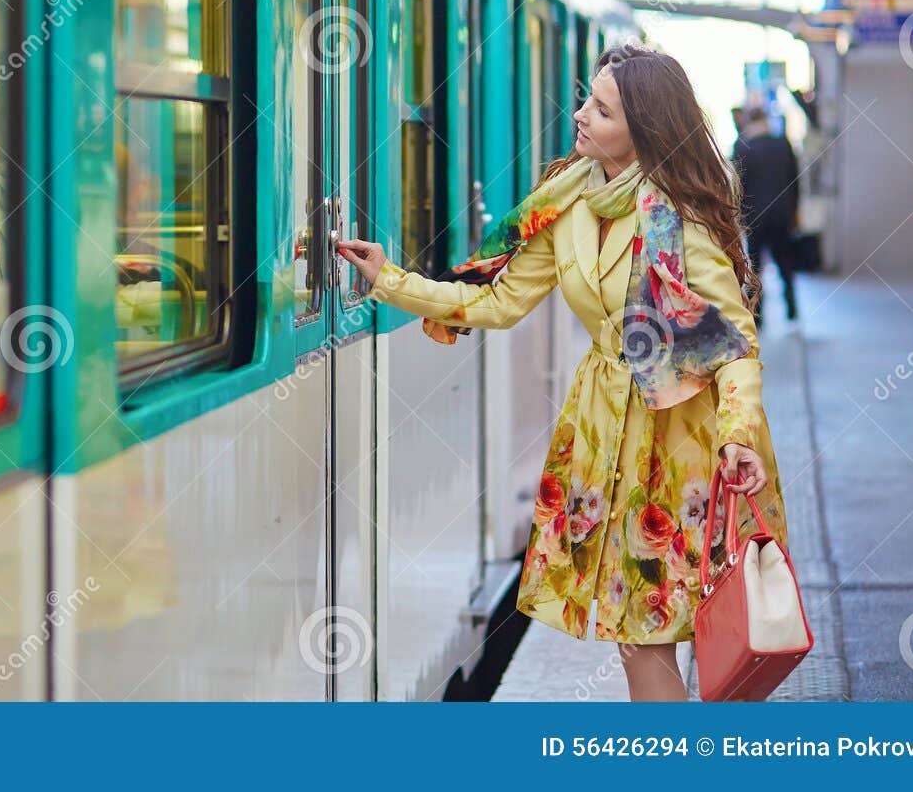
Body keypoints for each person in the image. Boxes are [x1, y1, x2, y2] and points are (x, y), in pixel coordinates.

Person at [338, 43, 789, 702]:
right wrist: (391, 281)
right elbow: (499, 300)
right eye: (586, 99)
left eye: (600, 110)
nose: (579, 114)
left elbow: (735, 344)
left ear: (641, 132)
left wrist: (740, 434)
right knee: (638, 632)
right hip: (605, 437)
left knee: (687, 631)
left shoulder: (678, 217)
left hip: (685, 447)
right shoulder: (566, 202)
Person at [730, 106, 801, 327]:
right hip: (782, 214)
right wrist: (795, 211)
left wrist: (738, 216)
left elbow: (737, 185)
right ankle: (791, 309)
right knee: (785, 261)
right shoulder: (783, 144)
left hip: (755, 216)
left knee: (755, 267)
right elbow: (795, 181)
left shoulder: (743, 147)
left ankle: (757, 315)